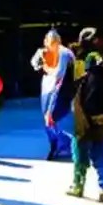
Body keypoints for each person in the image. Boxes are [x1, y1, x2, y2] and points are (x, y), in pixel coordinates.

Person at [68, 49, 103, 203]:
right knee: (102, 155)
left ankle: (78, 185)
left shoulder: (86, 80)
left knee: (80, 155)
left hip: (85, 126)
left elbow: (80, 104)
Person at [32, 30, 75, 160]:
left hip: (62, 90)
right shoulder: (43, 52)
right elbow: (34, 64)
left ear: (58, 42)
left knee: (52, 117)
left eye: (53, 42)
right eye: (47, 42)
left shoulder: (65, 53)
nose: (49, 45)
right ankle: (57, 145)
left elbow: (59, 74)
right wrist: (39, 59)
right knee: (47, 122)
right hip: (47, 88)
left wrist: (45, 67)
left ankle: (68, 143)